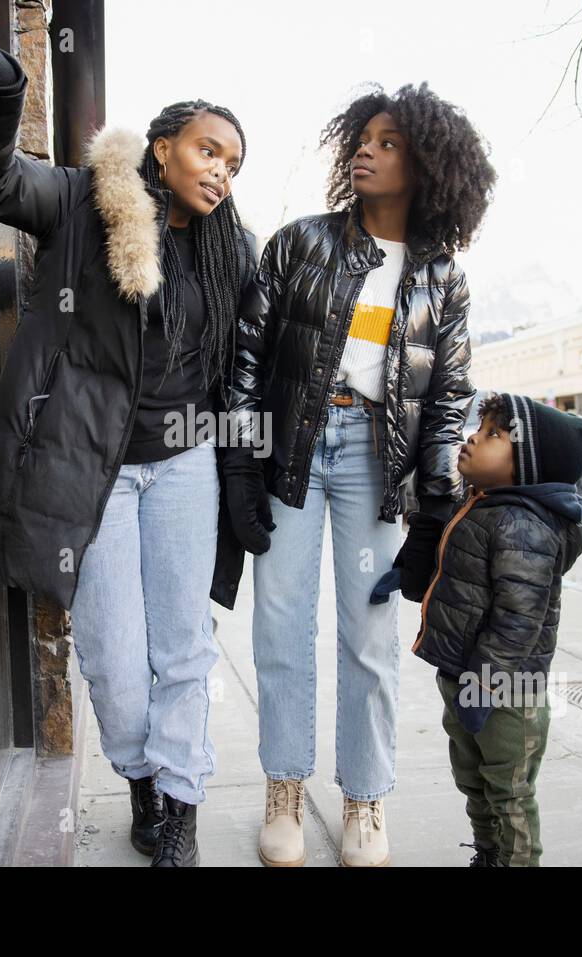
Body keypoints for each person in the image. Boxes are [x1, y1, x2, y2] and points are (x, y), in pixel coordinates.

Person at [0, 4, 255, 867]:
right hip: (90, 471)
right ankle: (139, 773)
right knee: (110, 656)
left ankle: (178, 807)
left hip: (184, 468)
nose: (220, 171)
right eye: (208, 149)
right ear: (163, 145)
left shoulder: (228, 252)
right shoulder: (81, 201)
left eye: (233, 164)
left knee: (184, 647)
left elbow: (246, 360)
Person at [226, 83, 494, 866]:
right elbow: (248, 356)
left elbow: (448, 394)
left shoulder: (442, 277)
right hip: (296, 451)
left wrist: (438, 498)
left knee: (370, 636)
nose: (368, 151)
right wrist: (244, 461)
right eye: (364, 139)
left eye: (389, 142)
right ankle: (283, 788)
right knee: (280, 626)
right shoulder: (300, 243)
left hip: (379, 463)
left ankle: (364, 800)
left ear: (428, 164)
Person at [412, 393, 582, 865]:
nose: (472, 437)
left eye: (492, 435)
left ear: (526, 464)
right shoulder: (486, 506)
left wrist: (484, 683)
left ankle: (517, 860)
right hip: (464, 676)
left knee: (509, 789)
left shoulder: (523, 524)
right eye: (479, 428)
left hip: (505, 690)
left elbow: (518, 619)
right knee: (473, 778)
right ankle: (488, 855)